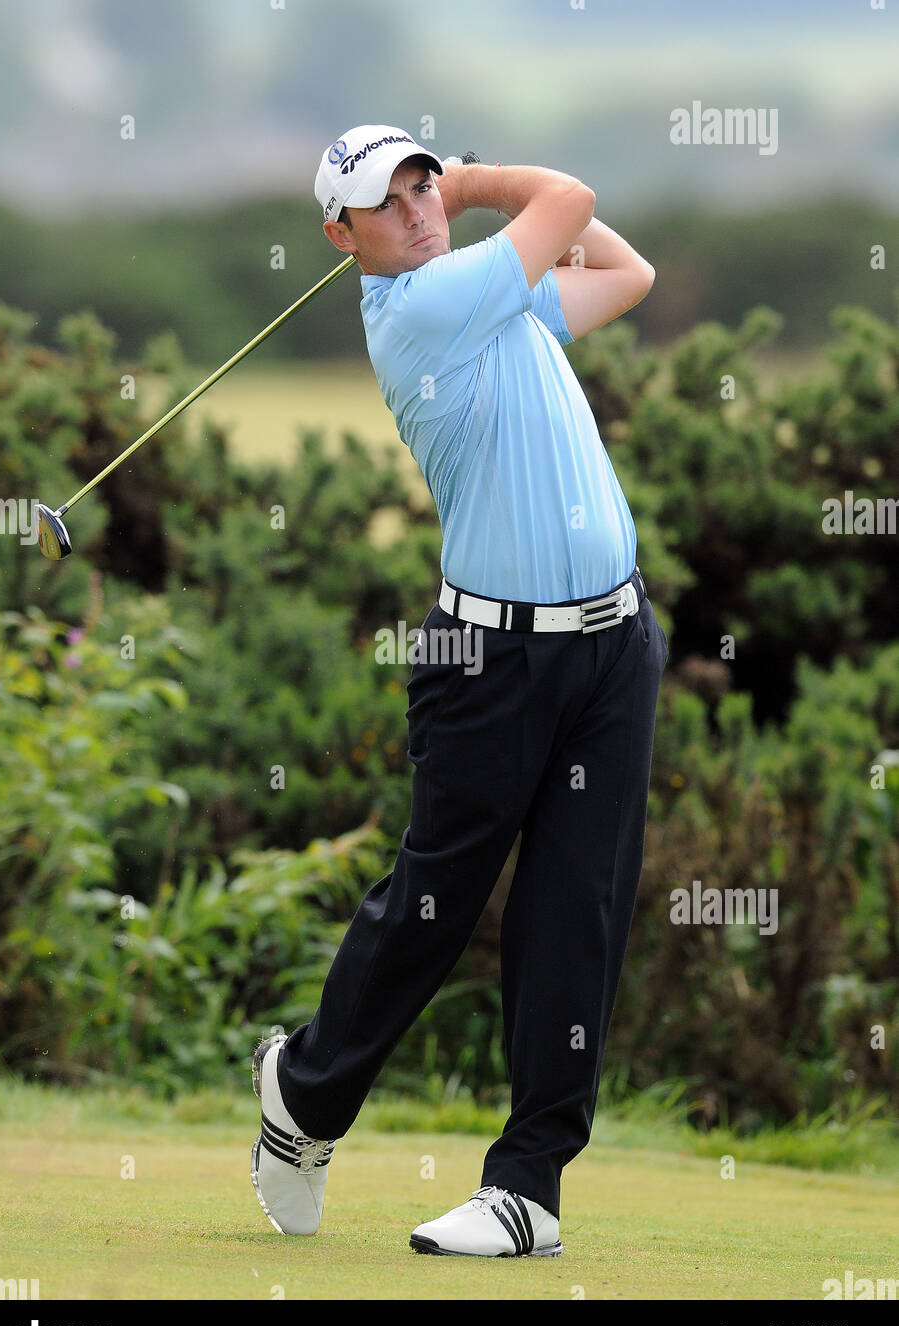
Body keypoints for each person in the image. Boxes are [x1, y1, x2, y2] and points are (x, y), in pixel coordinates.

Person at [250, 123, 668, 1258]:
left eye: (425, 181)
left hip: (613, 648)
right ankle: (304, 1093)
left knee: (574, 908)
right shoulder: (425, 312)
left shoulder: (491, 300)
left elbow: (623, 272)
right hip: (488, 665)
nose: (421, 206)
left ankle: (527, 1190)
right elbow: (570, 196)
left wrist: (464, 205)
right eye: (390, 200)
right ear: (342, 237)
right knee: (433, 907)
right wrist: (483, 183)